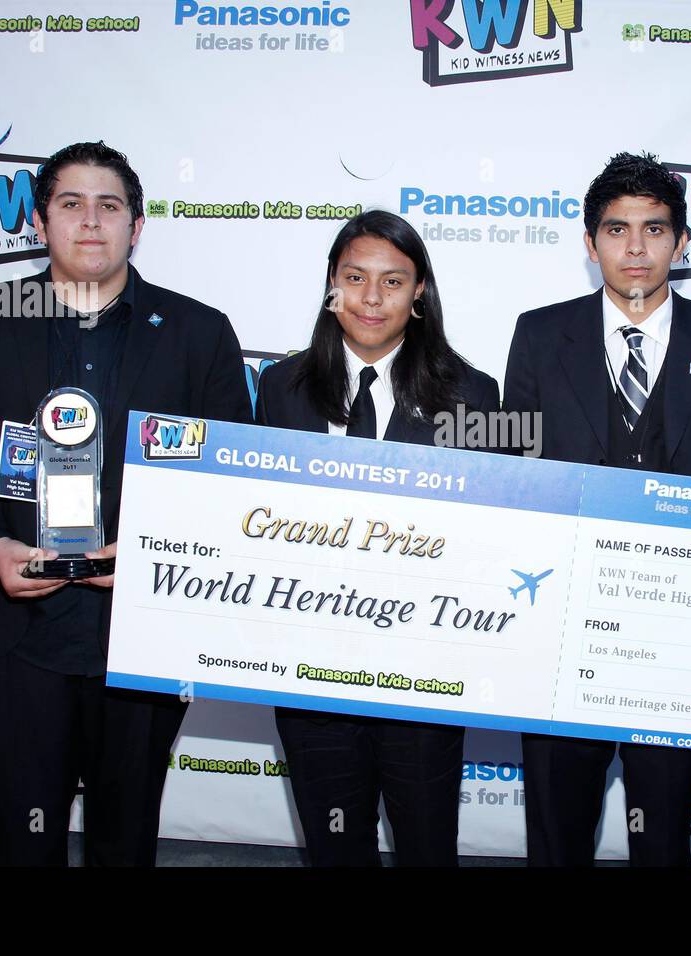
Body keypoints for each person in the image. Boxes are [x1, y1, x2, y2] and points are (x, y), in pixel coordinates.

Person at [0, 141, 252, 865]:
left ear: (137, 226)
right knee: (21, 845)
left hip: (138, 638)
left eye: (110, 206)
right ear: (38, 223)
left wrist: (154, 548)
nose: (91, 221)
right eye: (71, 204)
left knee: (125, 844)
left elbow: (233, 476)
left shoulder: (197, 331)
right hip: (11, 637)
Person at [502, 152, 691, 866]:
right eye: (617, 230)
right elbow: (518, 478)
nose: (636, 248)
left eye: (655, 230)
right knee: (557, 835)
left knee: (663, 841)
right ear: (589, 244)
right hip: (562, 635)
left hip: (681, 639)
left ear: (682, 242)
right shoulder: (537, 333)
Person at [255, 209, 500, 866]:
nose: (370, 298)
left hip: (422, 677)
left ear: (419, 291)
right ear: (331, 284)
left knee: (427, 850)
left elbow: (486, 542)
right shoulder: (280, 389)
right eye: (354, 277)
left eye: (392, 281)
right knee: (335, 850)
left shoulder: (471, 396)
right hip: (311, 670)